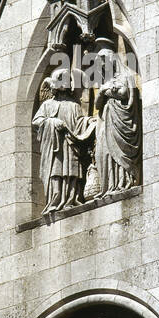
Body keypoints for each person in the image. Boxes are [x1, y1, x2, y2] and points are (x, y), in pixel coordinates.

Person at [32, 69, 95, 213]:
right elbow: (36, 121)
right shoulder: (47, 105)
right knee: (56, 171)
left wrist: (88, 121)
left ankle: (71, 199)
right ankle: (55, 200)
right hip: (55, 147)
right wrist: (52, 122)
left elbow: (79, 123)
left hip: (70, 145)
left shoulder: (74, 106)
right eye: (62, 79)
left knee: (72, 171)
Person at [93, 46, 139, 194]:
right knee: (105, 151)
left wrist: (108, 91)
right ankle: (110, 185)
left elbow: (125, 94)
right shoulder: (106, 82)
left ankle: (123, 181)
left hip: (121, 121)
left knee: (120, 151)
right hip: (108, 122)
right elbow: (97, 104)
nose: (103, 66)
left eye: (104, 62)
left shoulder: (126, 76)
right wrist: (102, 91)